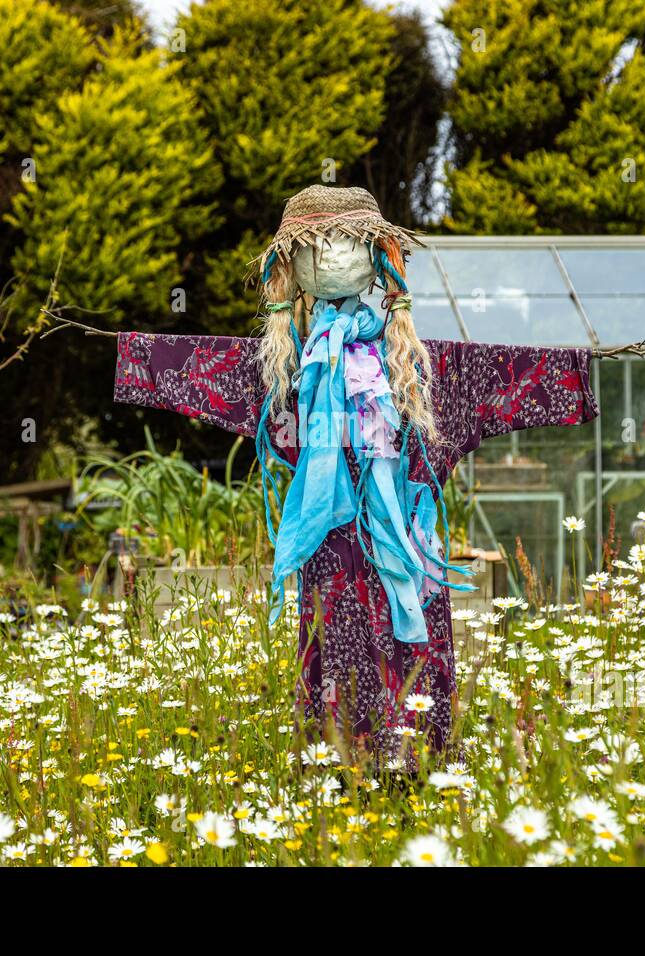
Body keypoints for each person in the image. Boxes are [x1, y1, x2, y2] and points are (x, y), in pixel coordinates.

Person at [114, 184, 597, 767]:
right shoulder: (284, 371)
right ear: (291, 264)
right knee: (338, 674)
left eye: (351, 240)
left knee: (412, 675)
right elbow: (195, 366)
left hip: (409, 559)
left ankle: (422, 773)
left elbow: (513, 376)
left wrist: (586, 365)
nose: (337, 253)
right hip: (331, 562)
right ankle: (339, 773)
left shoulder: (426, 368)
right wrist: (131, 357)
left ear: (378, 255)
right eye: (319, 243)